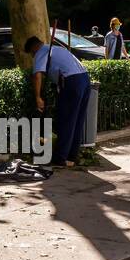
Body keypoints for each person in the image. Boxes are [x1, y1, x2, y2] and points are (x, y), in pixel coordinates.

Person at [27, 35, 91, 167]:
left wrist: (38, 97)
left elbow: (37, 75)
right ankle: (71, 157)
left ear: (34, 48)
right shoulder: (57, 49)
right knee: (77, 120)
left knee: (66, 120)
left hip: (71, 82)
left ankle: (60, 158)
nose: (33, 57)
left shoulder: (41, 52)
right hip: (85, 79)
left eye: (31, 54)